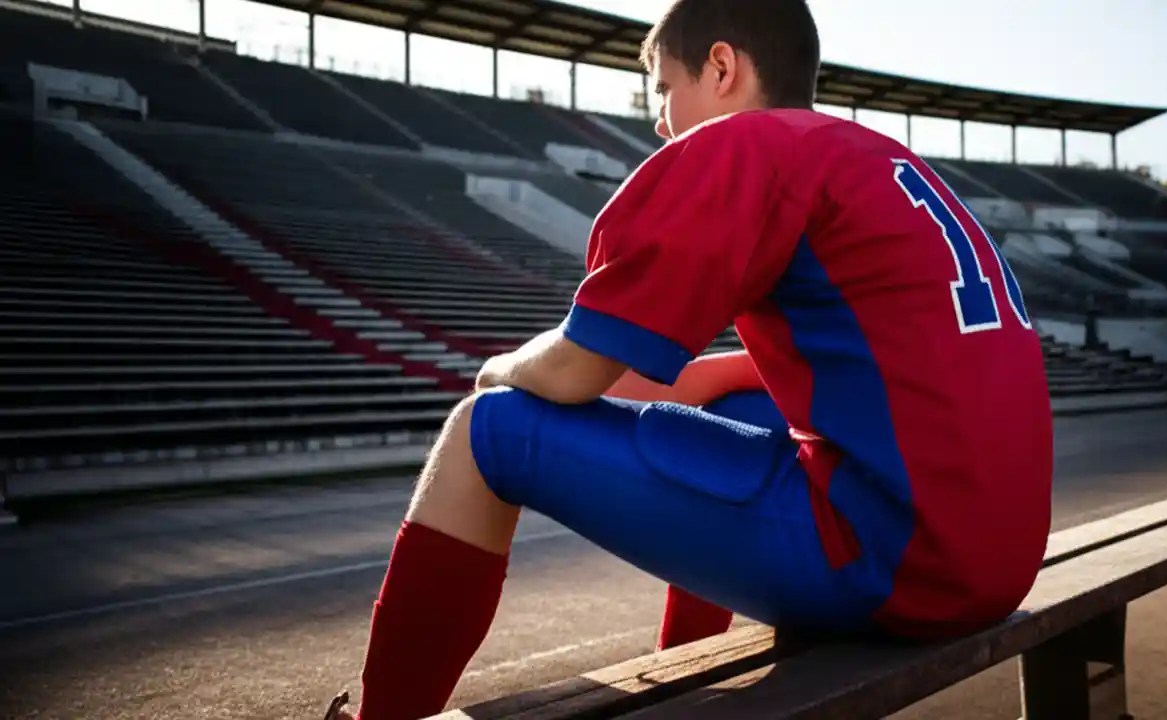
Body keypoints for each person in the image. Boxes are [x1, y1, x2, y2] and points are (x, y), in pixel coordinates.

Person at [328, 0, 1053, 718]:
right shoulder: (879, 157)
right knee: (730, 406)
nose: (661, 120)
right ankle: (683, 660)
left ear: (722, 67)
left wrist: (502, 368)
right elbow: (889, 358)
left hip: (906, 565)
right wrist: (703, 379)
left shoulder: (745, 146)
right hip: (996, 557)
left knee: (485, 430)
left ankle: (383, 716)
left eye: (665, 90)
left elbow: (573, 371)